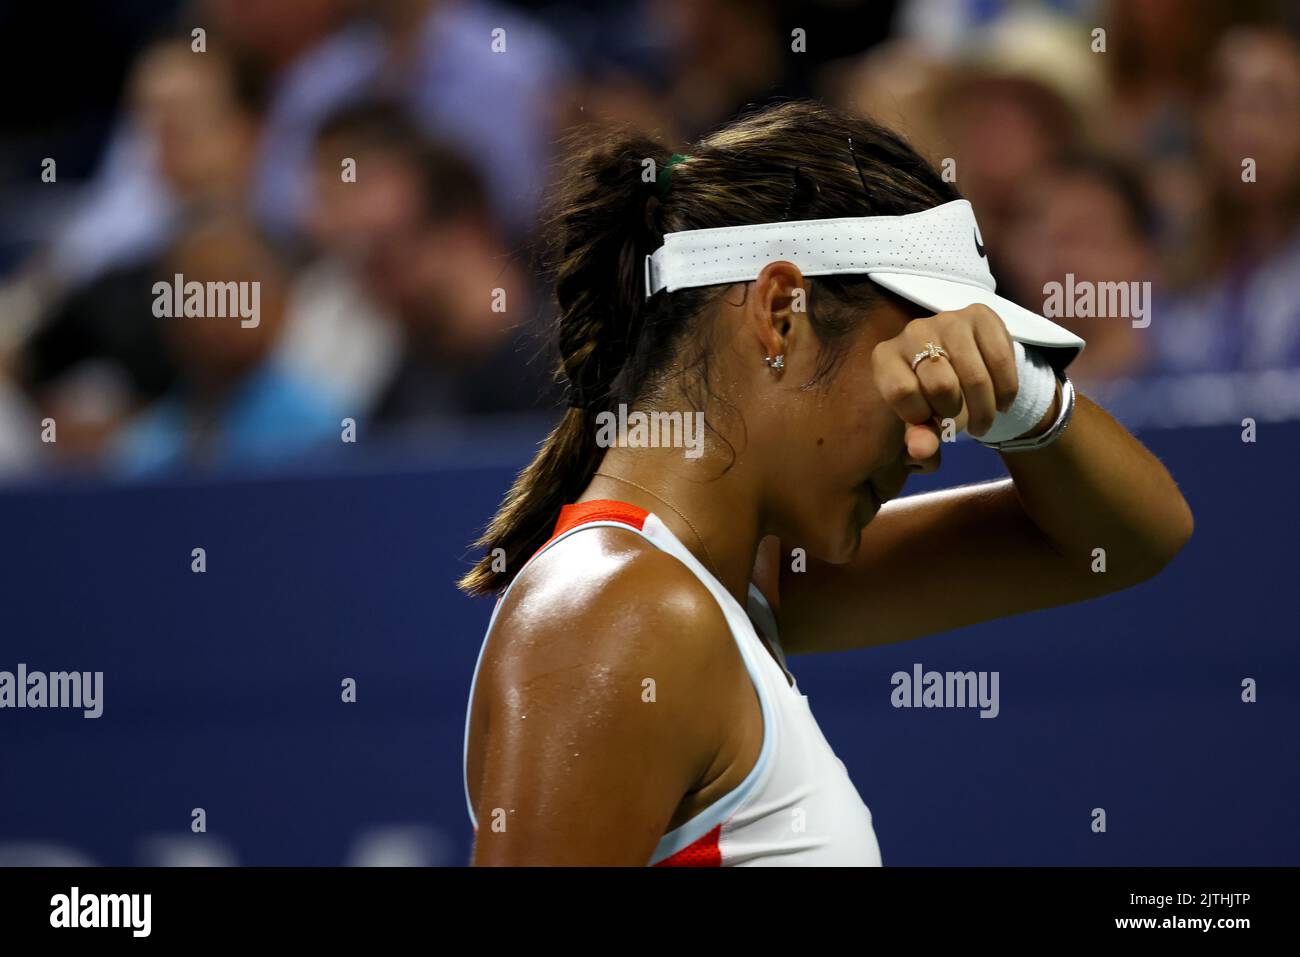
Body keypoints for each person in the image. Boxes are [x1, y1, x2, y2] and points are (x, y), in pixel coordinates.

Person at [458, 102, 1193, 866]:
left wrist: (1022, 396)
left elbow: (1132, 542)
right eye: (914, 373)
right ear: (781, 313)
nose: (927, 444)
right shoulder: (628, 613)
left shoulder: (727, 585)